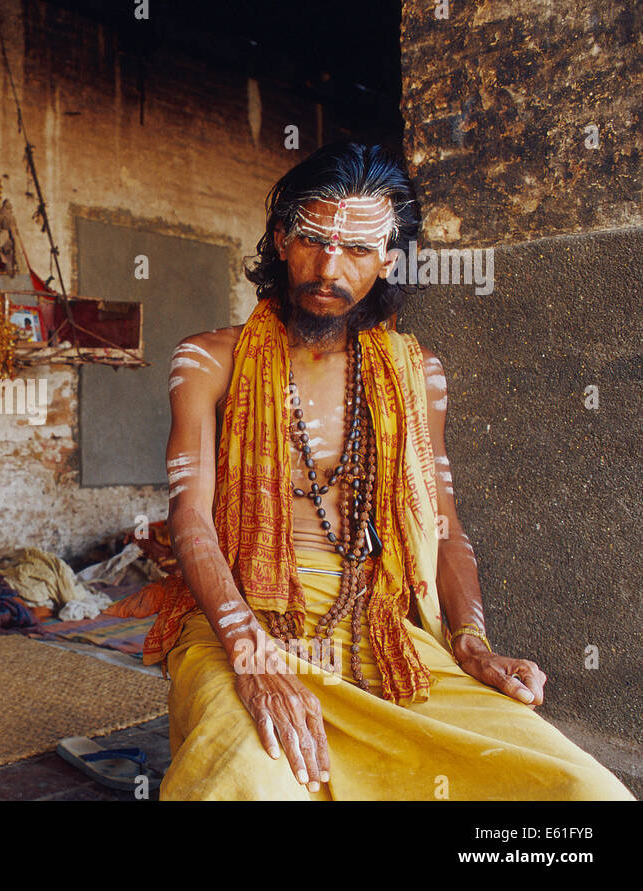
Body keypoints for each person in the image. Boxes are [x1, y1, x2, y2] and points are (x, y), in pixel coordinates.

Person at [149, 142, 632, 800]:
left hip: (381, 633)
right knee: (244, 785)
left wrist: (470, 640)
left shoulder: (417, 372)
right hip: (243, 624)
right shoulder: (206, 361)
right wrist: (251, 652)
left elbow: (444, 524)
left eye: (355, 250)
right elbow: (191, 519)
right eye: (314, 240)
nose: (328, 267)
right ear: (281, 238)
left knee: (582, 791)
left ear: (388, 259)